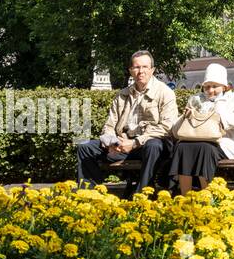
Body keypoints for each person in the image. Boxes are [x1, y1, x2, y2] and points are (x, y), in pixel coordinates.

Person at [76, 50, 179, 195]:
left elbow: (167, 127)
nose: (140, 71)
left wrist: (135, 142)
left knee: (154, 145)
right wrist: (110, 141)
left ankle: (143, 193)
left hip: (148, 145)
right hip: (122, 145)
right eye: (136, 67)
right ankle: (90, 194)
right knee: (85, 147)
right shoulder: (123, 94)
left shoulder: (165, 92)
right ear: (131, 70)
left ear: (152, 70)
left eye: (145, 67)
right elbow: (110, 124)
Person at [169, 63, 234, 193]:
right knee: (181, 147)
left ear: (224, 87)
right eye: (207, 87)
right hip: (195, 140)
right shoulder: (196, 99)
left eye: (215, 86)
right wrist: (185, 117)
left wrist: (222, 119)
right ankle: (185, 197)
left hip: (222, 143)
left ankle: (207, 196)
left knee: (205, 148)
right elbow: (175, 130)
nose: (210, 90)